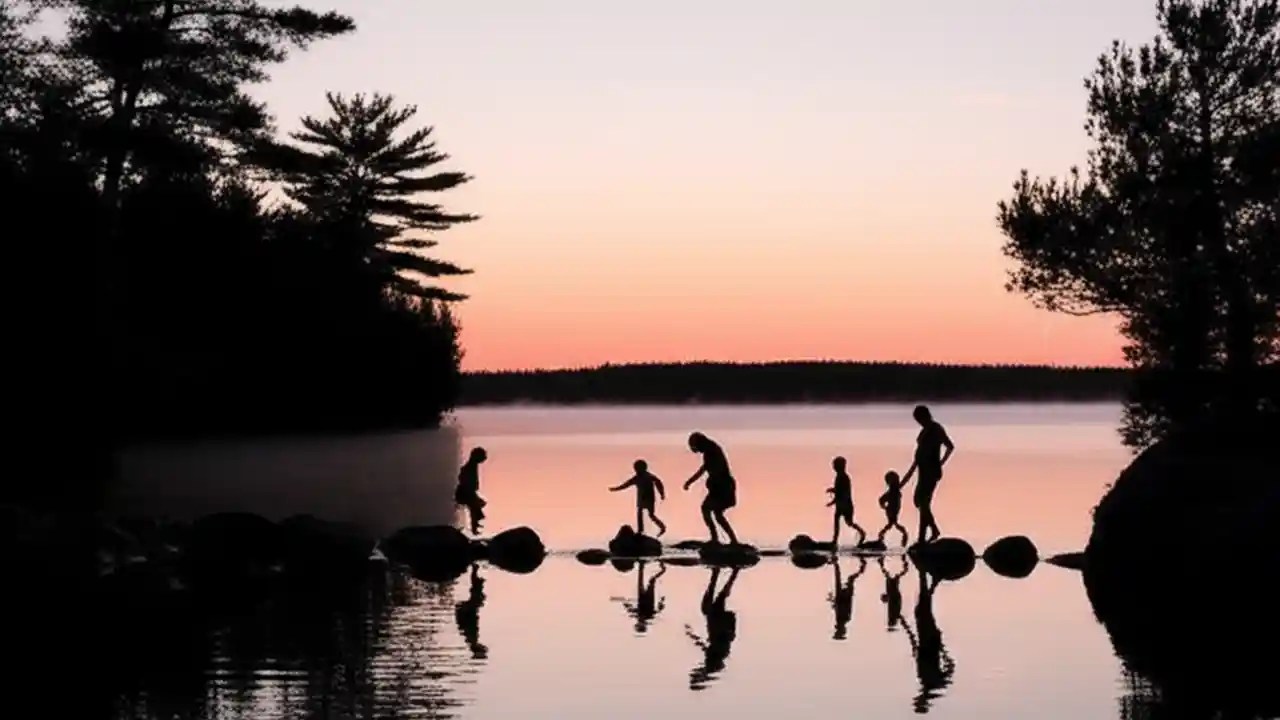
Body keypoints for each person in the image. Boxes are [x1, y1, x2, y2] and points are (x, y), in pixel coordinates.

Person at [902, 405, 955, 545]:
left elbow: (950, 446)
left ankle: (925, 535)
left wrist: (941, 462)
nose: (918, 421)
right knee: (920, 502)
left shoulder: (936, 429)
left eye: (919, 418)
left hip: (931, 471)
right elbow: (919, 453)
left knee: (923, 502)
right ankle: (928, 532)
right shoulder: (924, 430)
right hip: (922, 470)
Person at [683, 432, 740, 545]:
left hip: (723, 486)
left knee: (708, 510)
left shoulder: (711, 450)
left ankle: (719, 538)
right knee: (715, 513)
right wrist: (690, 481)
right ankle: (726, 539)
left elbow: (714, 469)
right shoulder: (710, 450)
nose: (697, 451)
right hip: (720, 486)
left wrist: (693, 482)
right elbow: (705, 468)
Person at [608, 459, 668, 537]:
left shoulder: (648, 476)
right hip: (641, 498)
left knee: (650, 515)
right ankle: (641, 530)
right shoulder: (636, 478)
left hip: (649, 498)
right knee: (640, 513)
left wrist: (662, 493)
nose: (636, 470)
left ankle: (662, 527)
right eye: (635, 469)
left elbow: (658, 483)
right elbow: (626, 484)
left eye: (637, 468)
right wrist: (615, 489)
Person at [826, 456, 867, 547]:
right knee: (837, 520)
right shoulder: (839, 476)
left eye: (836, 465)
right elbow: (838, 491)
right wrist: (833, 495)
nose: (834, 467)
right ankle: (835, 540)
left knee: (849, 522)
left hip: (846, 505)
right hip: (840, 504)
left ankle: (862, 533)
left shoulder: (844, 477)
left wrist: (833, 496)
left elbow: (841, 491)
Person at [455, 447, 488, 535]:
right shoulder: (470, 467)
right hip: (465, 492)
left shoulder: (472, 465)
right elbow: (463, 479)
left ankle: (475, 526)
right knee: (475, 508)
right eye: (483, 457)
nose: (485, 459)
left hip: (468, 491)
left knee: (476, 508)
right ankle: (474, 529)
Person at [876, 470, 909, 546]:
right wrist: (884, 507)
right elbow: (881, 499)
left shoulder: (895, 490)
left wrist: (883, 506)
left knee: (891, 525)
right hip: (892, 510)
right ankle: (903, 539)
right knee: (893, 524)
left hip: (893, 509)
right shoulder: (892, 491)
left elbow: (881, 500)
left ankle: (881, 536)